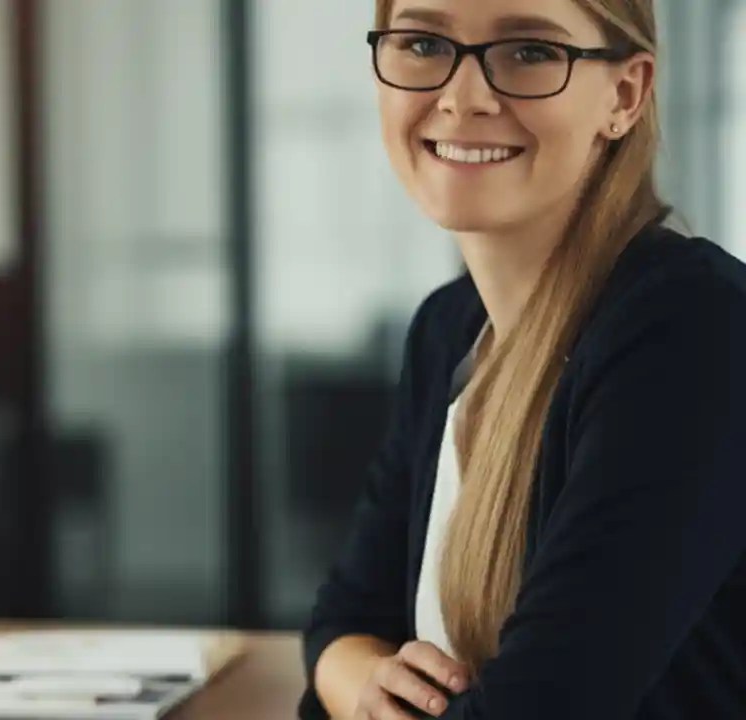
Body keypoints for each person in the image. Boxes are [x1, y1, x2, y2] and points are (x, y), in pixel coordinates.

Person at [300, 1, 746, 718]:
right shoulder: (447, 329)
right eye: (421, 41)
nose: (462, 95)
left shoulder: (695, 330)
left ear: (624, 95)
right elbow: (341, 624)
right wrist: (366, 690)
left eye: (530, 51)